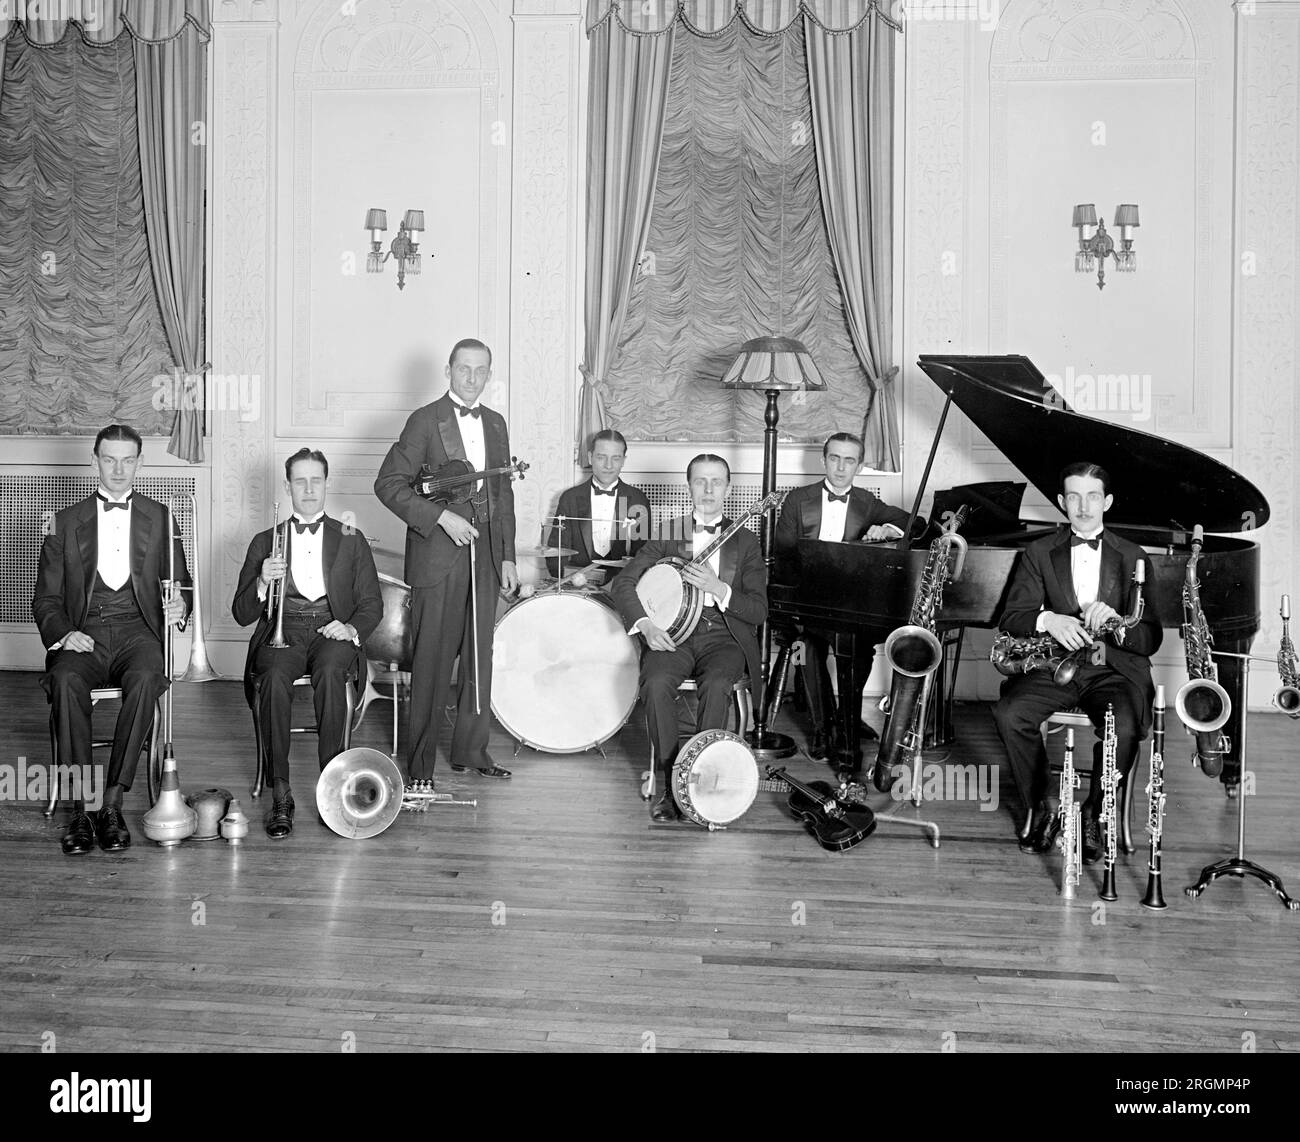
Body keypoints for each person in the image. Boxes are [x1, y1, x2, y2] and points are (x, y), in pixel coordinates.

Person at [992, 461, 1161, 860]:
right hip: (1055, 666)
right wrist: (1046, 618)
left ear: (1108, 501)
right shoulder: (1039, 552)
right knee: (1009, 713)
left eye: (1092, 497)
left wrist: (1120, 624)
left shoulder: (1133, 556)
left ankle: (1094, 815)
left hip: (1112, 670)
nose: (1083, 506)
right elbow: (1011, 618)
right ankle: (1041, 806)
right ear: (1061, 502)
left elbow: (1151, 636)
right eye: (1073, 497)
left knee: (1123, 724)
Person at [34, 424, 189, 854]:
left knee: (146, 677)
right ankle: (80, 812)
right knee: (65, 681)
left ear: (140, 463)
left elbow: (182, 584)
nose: (118, 469)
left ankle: (113, 804)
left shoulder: (161, 518)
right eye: (109, 459)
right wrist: (65, 634)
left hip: (138, 630)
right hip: (83, 633)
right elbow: (45, 599)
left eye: (127, 460)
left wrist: (180, 607)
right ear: (95, 461)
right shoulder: (64, 522)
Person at [374, 338, 518, 787]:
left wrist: (507, 555)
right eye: (463, 369)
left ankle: (471, 751)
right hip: (439, 557)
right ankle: (419, 769)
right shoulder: (424, 420)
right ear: (449, 370)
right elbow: (388, 484)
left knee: (479, 661)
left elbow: (503, 494)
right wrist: (440, 517)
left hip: (486, 559)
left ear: (489, 375)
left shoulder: (495, 423)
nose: (472, 378)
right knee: (433, 662)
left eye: (480, 371)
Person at [232, 448, 382, 838]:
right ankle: (280, 790)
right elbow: (241, 613)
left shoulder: (351, 539)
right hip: (283, 633)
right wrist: (263, 581)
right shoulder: (266, 540)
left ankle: (333, 785)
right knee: (275, 676)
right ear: (288, 486)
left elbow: (371, 604)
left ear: (327, 484)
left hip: (331, 631)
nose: (309, 488)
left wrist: (348, 627)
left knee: (333, 672)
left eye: (317, 480)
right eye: (301, 481)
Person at [610, 455, 767, 823]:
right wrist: (646, 625)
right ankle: (669, 785)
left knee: (715, 685)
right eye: (700, 481)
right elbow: (624, 584)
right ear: (689, 486)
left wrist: (719, 588)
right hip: (673, 635)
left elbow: (759, 610)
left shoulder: (746, 542)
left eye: (716, 482)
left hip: (723, 636)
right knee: (657, 681)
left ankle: (702, 785)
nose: (708, 490)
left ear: (728, 487)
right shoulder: (668, 533)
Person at [773, 432, 921, 774]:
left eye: (849, 460)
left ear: (859, 465)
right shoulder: (798, 500)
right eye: (835, 459)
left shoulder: (867, 502)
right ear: (823, 461)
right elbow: (782, 556)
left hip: (850, 602)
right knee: (805, 648)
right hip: (804, 598)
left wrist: (887, 529)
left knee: (858, 645)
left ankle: (847, 721)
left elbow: (916, 523)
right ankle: (824, 730)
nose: (841, 467)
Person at [544, 429, 650, 583]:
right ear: (590, 457)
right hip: (577, 588)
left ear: (623, 460)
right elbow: (555, 554)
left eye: (616, 458)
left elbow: (643, 555)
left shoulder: (638, 499)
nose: (608, 465)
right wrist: (568, 586)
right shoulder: (569, 498)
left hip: (620, 589)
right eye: (601, 457)